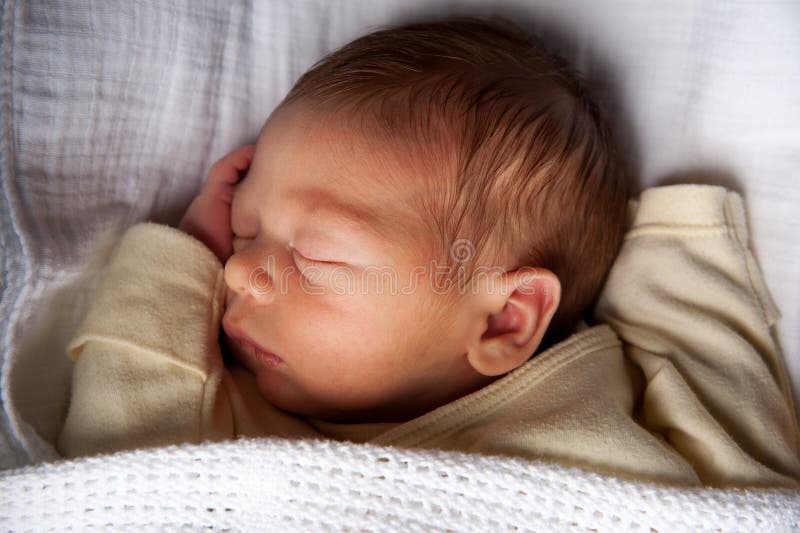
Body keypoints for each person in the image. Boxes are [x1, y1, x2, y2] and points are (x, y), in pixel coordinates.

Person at [56, 17, 800, 487]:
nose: (239, 269)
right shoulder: (234, 425)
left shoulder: (610, 415)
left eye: (315, 255)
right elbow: (117, 461)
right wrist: (178, 260)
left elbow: (737, 432)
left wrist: (676, 242)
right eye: (242, 230)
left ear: (506, 319)